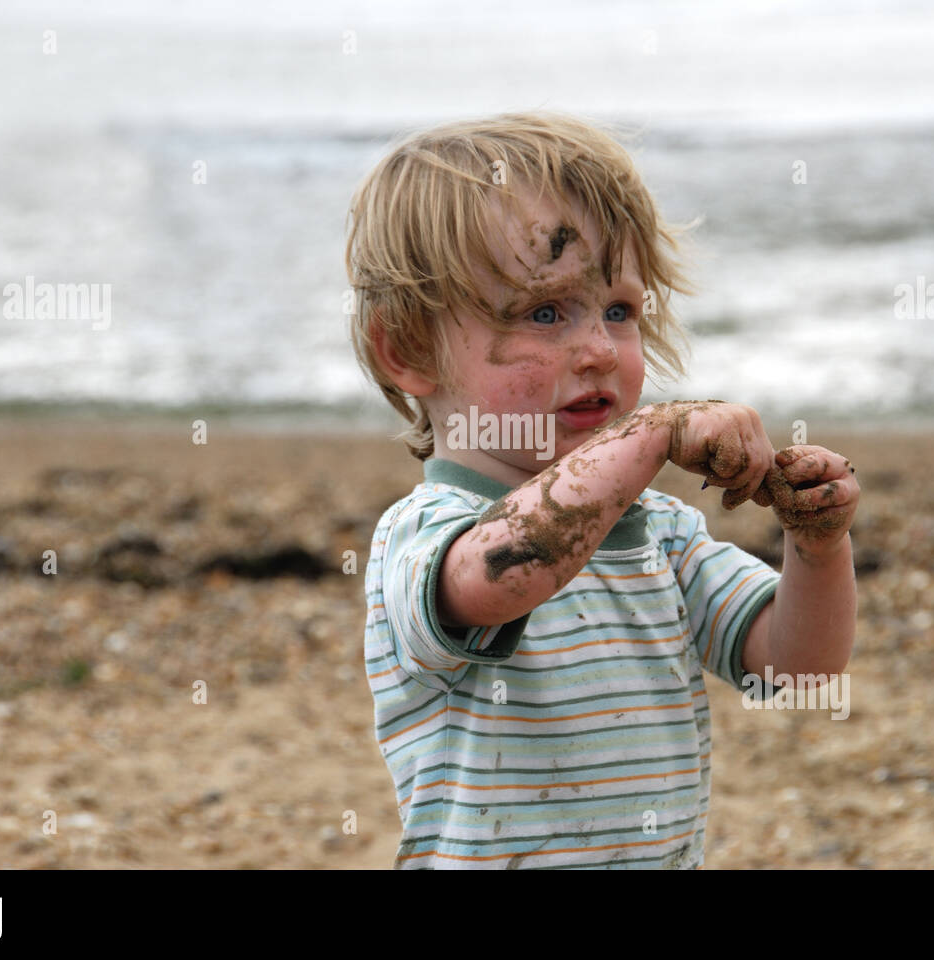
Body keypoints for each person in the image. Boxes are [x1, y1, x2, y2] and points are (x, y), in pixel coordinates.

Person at [345, 111, 859, 868]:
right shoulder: (423, 535)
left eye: (619, 311)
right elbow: (505, 571)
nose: (595, 350)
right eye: (544, 312)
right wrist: (646, 435)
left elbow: (797, 669)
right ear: (409, 349)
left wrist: (817, 547)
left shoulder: (666, 536)